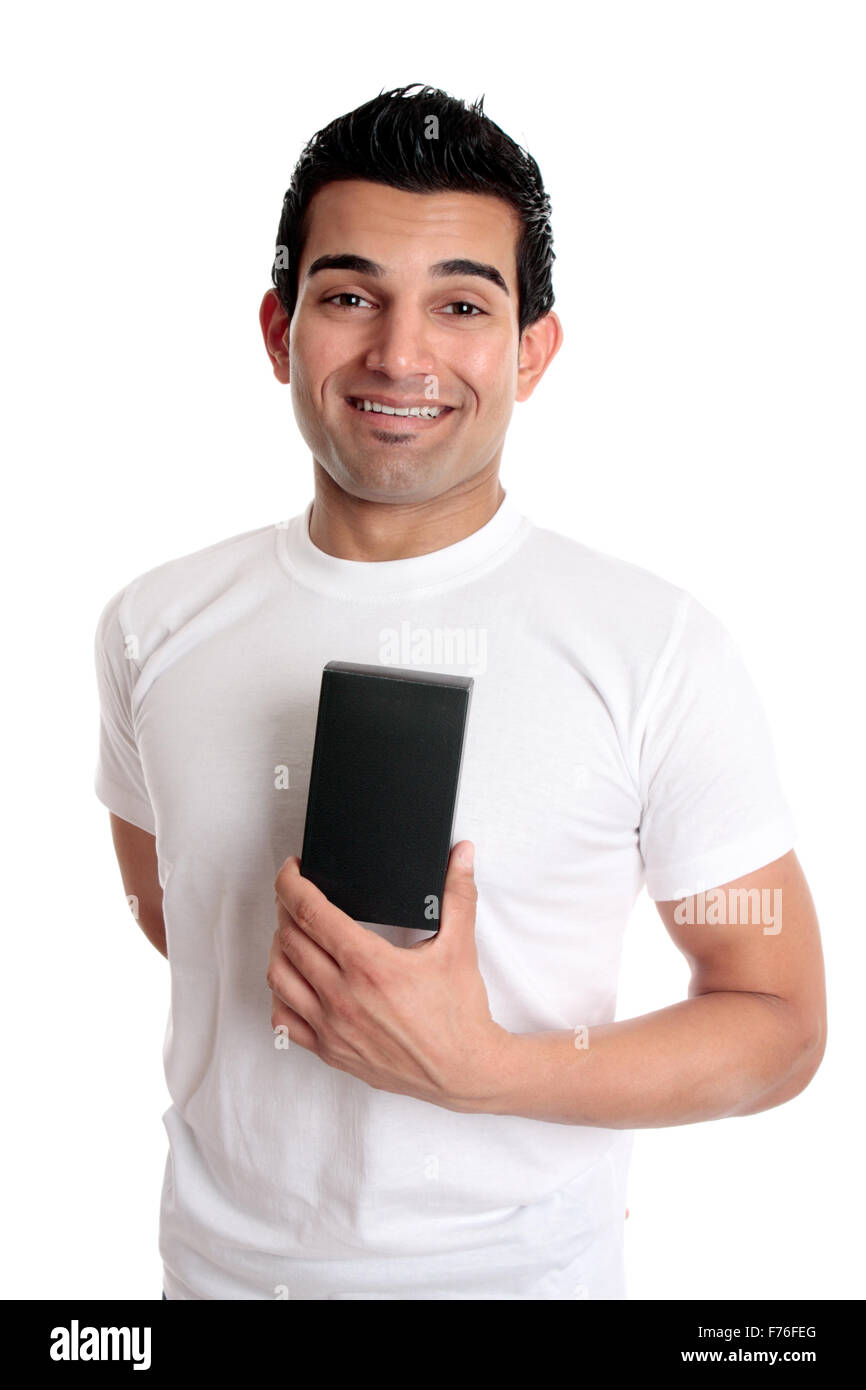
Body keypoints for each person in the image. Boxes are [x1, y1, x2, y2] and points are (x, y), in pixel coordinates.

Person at [94, 84, 826, 1301]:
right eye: (347, 296)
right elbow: (169, 904)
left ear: (530, 351)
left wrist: (481, 1069)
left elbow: (778, 1020)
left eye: (460, 303)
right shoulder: (151, 624)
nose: (399, 353)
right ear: (279, 329)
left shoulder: (651, 644)